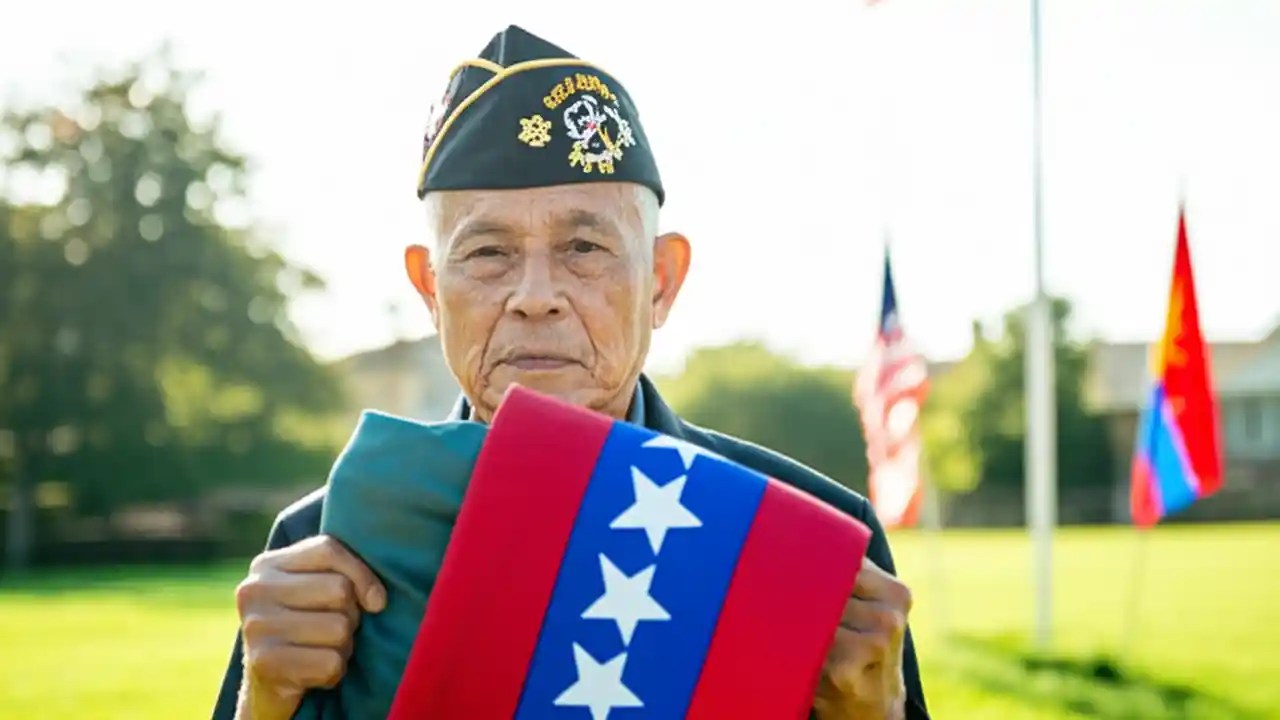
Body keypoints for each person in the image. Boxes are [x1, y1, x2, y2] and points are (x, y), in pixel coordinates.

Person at [213, 24, 929, 720]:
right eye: (488, 253)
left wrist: (873, 715)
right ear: (430, 289)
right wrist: (264, 703)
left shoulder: (811, 540)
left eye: (584, 247)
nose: (533, 296)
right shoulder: (326, 546)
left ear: (661, 280)